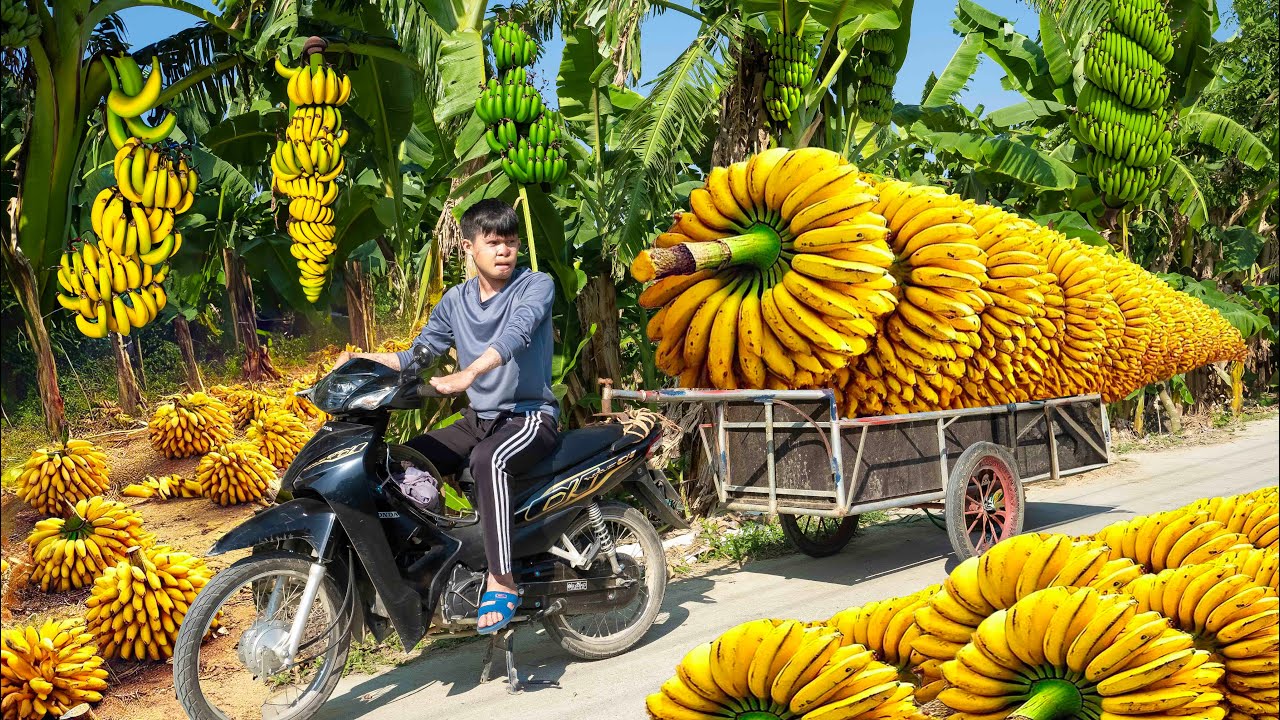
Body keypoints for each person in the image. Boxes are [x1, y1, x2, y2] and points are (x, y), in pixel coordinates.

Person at [330, 199, 559, 634]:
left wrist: (469, 372)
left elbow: (518, 332)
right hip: (480, 417)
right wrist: (362, 360)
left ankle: (502, 580)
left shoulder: (535, 285)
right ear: (469, 247)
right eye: (493, 243)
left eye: (511, 242)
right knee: (397, 463)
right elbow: (418, 354)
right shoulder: (456, 301)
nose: (504, 251)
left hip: (528, 416)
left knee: (489, 460)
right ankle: (438, 565)